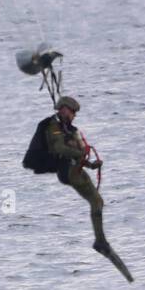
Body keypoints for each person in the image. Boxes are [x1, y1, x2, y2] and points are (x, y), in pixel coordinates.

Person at [37, 96, 111, 255]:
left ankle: (100, 240)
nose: (74, 116)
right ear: (64, 110)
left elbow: (78, 155)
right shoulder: (53, 127)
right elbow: (60, 148)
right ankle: (100, 241)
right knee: (96, 200)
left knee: (98, 201)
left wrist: (91, 165)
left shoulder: (70, 129)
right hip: (66, 171)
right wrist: (79, 152)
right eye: (72, 112)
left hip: (75, 168)